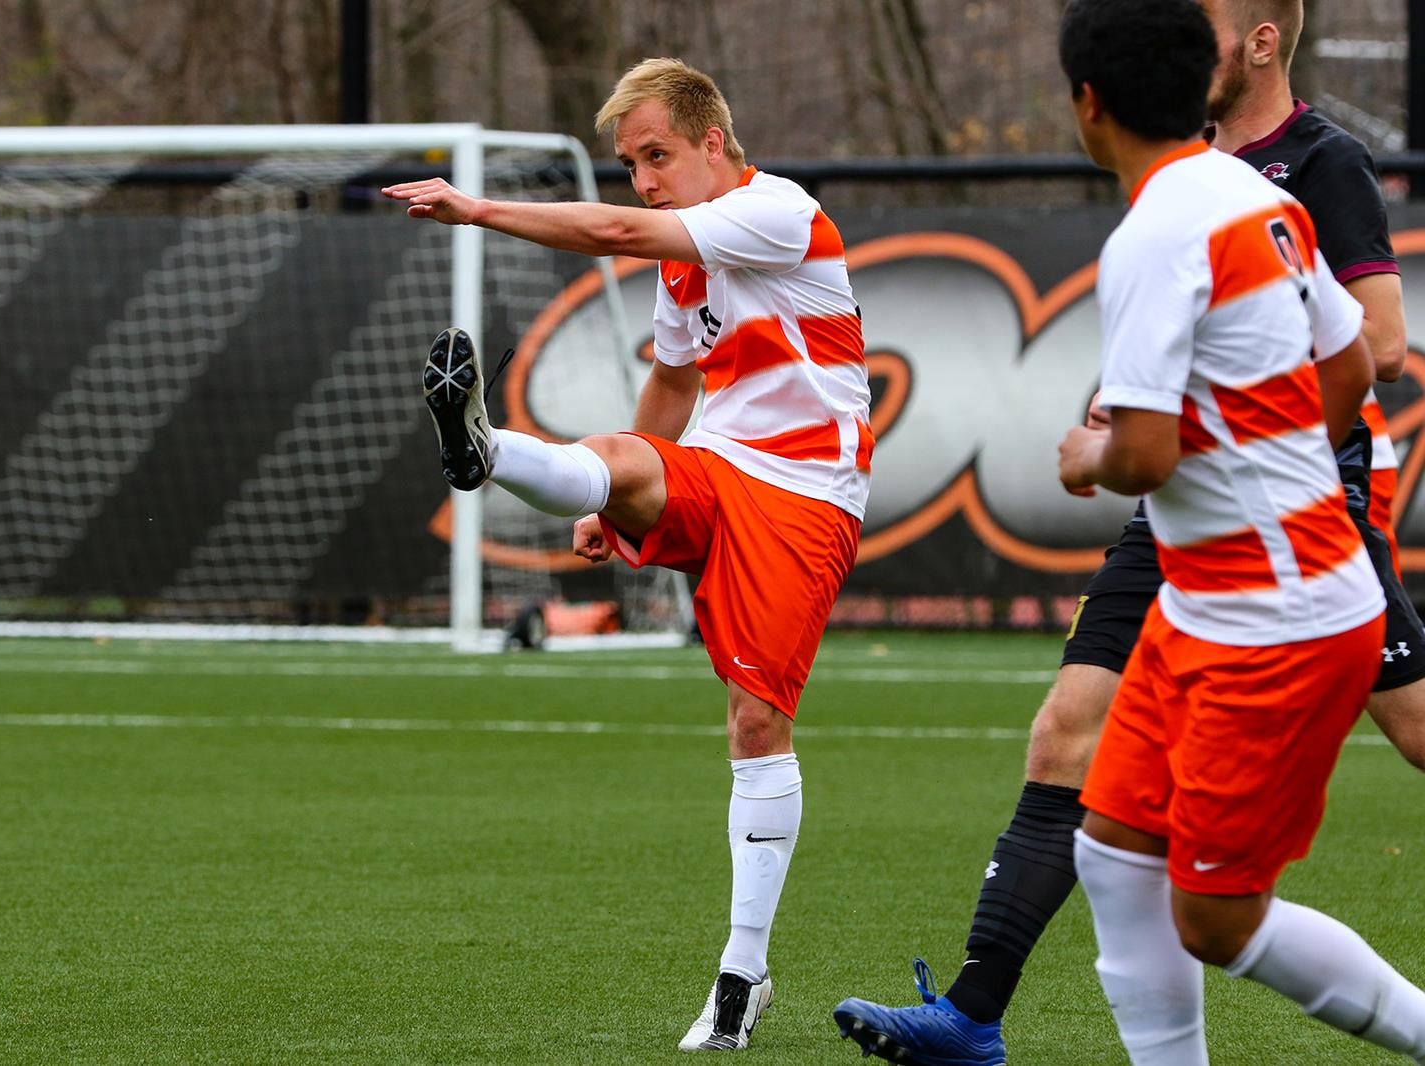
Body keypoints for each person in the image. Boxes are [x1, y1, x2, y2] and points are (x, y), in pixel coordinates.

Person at [830, 1, 1423, 1061]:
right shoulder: (1247, 193)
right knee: (1107, 844)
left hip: (1272, 615)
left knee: (1215, 918)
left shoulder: (1154, 232)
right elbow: (1344, 364)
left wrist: (1083, 457)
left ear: (1086, 104)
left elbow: (1138, 456)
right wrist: (1268, 461)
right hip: (1220, 594)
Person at [384, 58, 871, 1052]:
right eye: (631, 162)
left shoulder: (776, 210)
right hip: (717, 469)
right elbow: (669, 386)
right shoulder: (685, 264)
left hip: (806, 495)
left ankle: (744, 973)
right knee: (605, 453)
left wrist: (476, 210)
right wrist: (613, 491)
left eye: (655, 156)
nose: (642, 178)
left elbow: (610, 231)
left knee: (755, 720)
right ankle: (483, 451)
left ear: (712, 143)